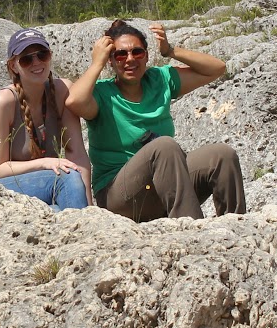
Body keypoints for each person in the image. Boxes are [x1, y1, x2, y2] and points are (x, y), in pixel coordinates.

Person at [65, 20, 244, 221]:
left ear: (147, 55)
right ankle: (192, 233)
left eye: (137, 52)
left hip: (164, 183)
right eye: (120, 55)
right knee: (164, 146)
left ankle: (236, 229)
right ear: (111, 61)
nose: (130, 59)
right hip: (119, 195)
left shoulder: (159, 79)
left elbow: (216, 68)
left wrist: (170, 50)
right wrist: (97, 63)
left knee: (222, 155)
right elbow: (74, 101)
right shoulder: (102, 93)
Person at [0, 28, 92, 209]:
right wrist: (44, 163)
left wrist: (90, 210)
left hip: (49, 184)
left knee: (57, 211)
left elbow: (78, 154)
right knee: (67, 178)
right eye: (26, 59)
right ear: (13, 66)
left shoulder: (61, 91)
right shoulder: (4, 101)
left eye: (42, 55)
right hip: (10, 186)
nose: (36, 62)